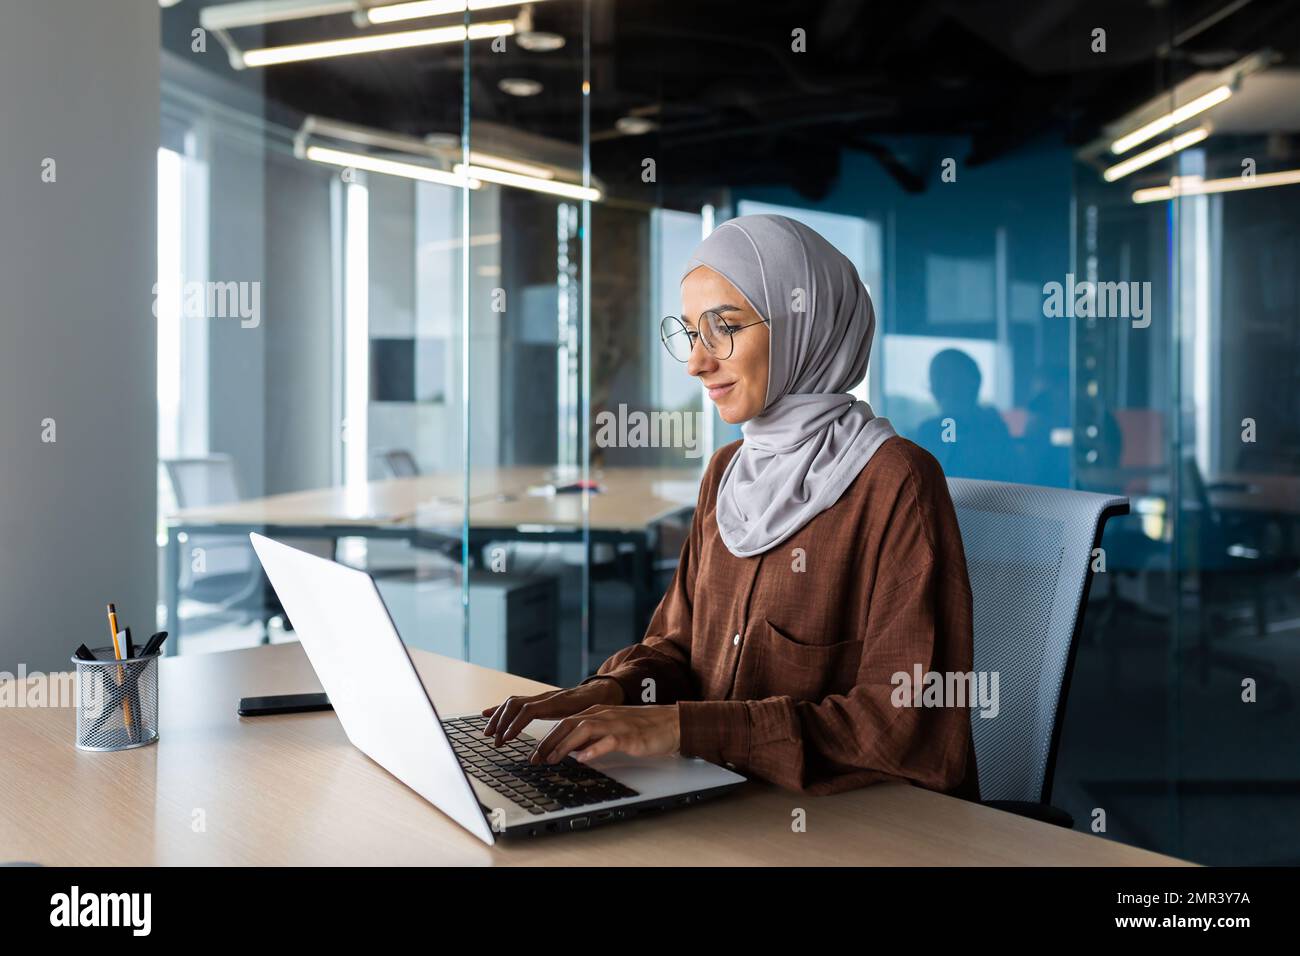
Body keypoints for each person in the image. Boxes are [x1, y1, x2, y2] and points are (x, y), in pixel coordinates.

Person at [483, 214, 978, 798]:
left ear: (805, 325)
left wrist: (682, 728)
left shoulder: (897, 481)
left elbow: (901, 730)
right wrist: (609, 691)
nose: (696, 362)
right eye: (691, 332)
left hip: (841, 828)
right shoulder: (727, 472)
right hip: (718, 797)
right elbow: (678, 648)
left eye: (723, 328)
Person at [914, 348, 1019, 482]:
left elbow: (1006, 478)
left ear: (971, 382)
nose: (937, 385)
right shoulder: (928, 430)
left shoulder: (992, 428)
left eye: (944, 376)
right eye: (935, 378)